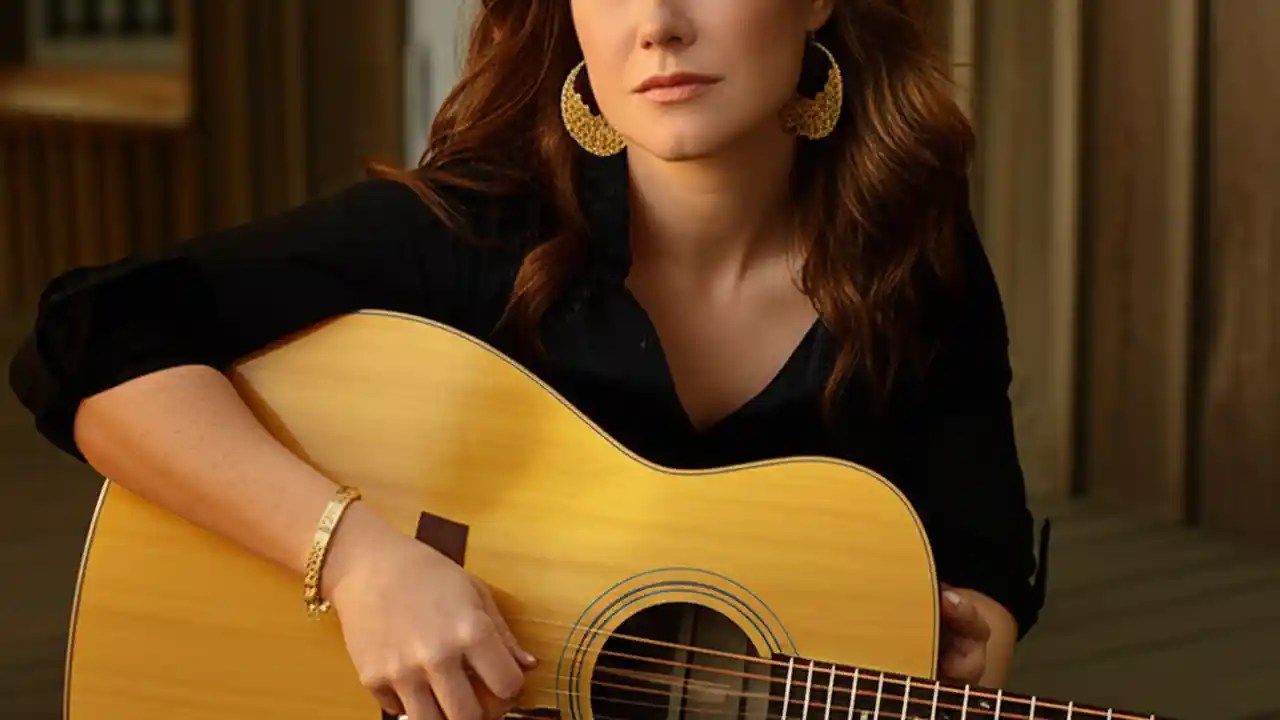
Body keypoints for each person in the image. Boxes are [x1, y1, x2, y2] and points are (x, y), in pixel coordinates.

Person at [8, 1, 1047, 718]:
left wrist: (977, 625)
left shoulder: (913, 255)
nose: (657, 26)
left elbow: (979, 548)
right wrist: (359, 560)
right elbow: (92, 340)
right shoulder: (480, 228)